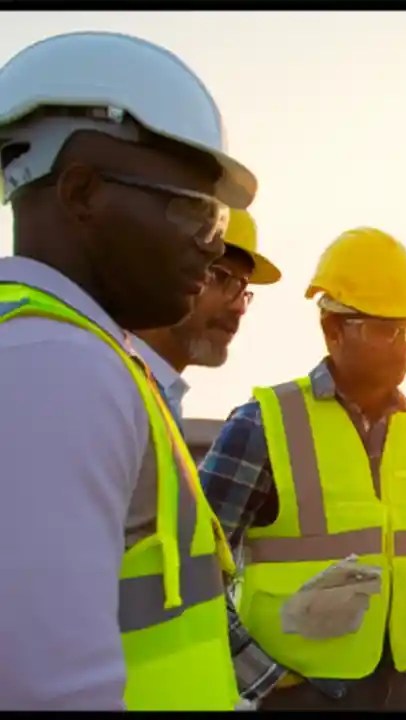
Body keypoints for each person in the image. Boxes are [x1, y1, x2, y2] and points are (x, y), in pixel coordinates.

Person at [0, 31, 255, 710]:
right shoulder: (54, 366)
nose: (212, 247)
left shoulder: (67, 353)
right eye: (196, 213)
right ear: (82, 192)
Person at [199, 227, 406, 710]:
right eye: (384, 328)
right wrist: (265, 679)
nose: (403, 346)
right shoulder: (263, 425)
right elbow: (199, 569)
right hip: (301, 694)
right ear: (333, 330)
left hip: (404, 687)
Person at [133, 208, 280, 427]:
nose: (239, 306)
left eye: (243, 289)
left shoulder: (159, 394)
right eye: (221, 278)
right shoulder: (110, 384)